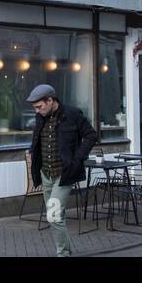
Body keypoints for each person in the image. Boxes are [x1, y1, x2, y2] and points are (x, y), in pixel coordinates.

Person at [27, 84, 98, 257]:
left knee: (53, 216)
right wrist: (32, 151)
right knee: (57, 215)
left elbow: (91, 135)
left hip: (64, 174)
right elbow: (38, 138)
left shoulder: (72, 114)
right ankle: (65, 249)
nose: (37, 111)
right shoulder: (40, 118)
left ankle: (63, 253)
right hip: (46, 174)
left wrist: (78, 158)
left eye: (39, 106)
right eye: (35, 108)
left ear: (50, 100)